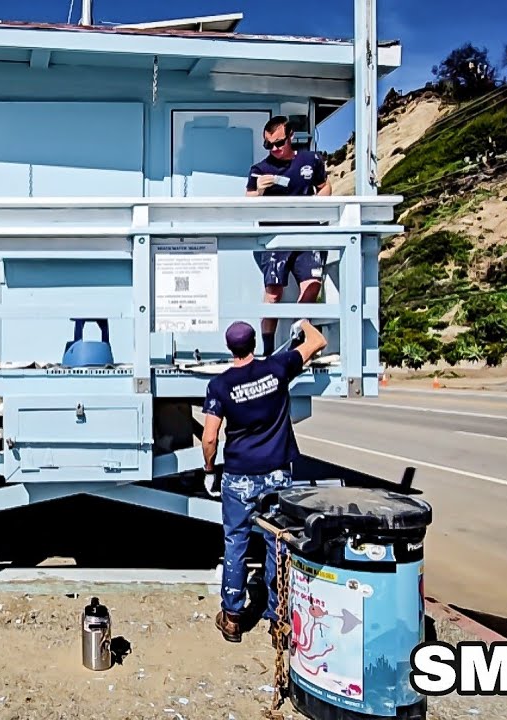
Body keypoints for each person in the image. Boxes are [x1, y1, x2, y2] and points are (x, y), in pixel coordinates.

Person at [201, 319, 326, 646]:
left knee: (236, 543)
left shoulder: (219, 386)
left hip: (240, 477)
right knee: (278, 544)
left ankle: (232, 618)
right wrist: (302, 324)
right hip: (277, 474)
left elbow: (210, 437)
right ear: (255, 342)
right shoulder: (278, 367)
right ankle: (278, 621)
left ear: (230, 348)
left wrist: (209, 468)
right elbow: (317, 342)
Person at [246, 116, 331, 357]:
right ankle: (268, 350)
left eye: (279, 143)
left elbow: (325, 187)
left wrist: (315, 204)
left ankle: (299, 341)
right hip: (275, 237)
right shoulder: (260, 169)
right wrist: (260, 190)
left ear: (291, 136)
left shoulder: (311, 160)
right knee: (273, 292)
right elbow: (248, 201)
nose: (274, 149)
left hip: (307, 233)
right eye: (268, 145)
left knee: (312, 284)